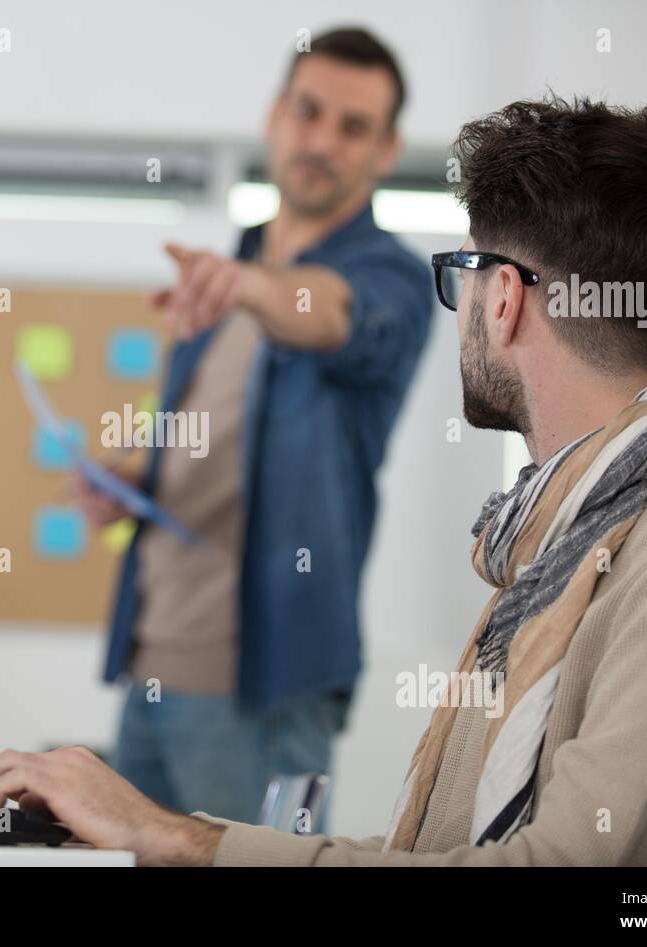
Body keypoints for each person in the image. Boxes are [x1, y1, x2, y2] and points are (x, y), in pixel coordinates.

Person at [0, 95, 647, 865]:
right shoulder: (566, 542)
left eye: (462, 276)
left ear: (504, 298)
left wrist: (178, 838)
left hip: (258, 670)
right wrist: (164, 833)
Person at [72, 26, 434, 823]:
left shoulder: (390, 280)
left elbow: (330, 312)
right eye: (309, 112)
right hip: (150, 660)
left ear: (385, 151)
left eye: (354, 127)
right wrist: (134, 482)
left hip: (264, 689)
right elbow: (215, 445)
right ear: (274, 118)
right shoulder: (225, 275)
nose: (323, 142)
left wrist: (251, 287)